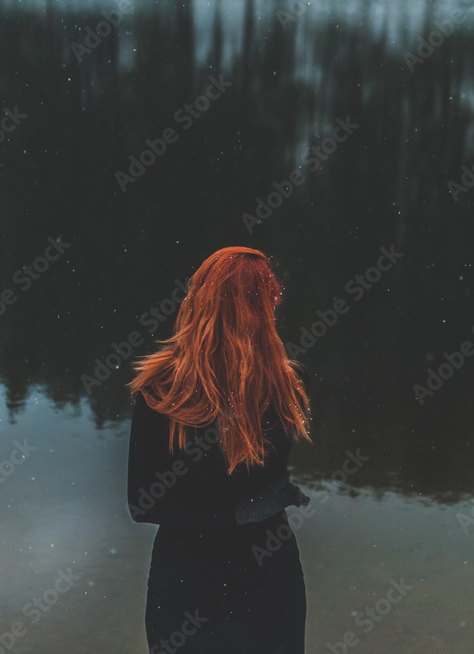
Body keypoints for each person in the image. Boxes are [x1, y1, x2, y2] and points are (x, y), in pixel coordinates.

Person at [126, 246, 314, 654]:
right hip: (261, 565)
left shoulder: (162, 387)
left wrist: (250, 504)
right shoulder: (280, 384)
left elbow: (146, 503)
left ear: (198, 300)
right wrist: (241, 512)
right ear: (263, 308)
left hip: (190, 574)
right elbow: (144, 504)